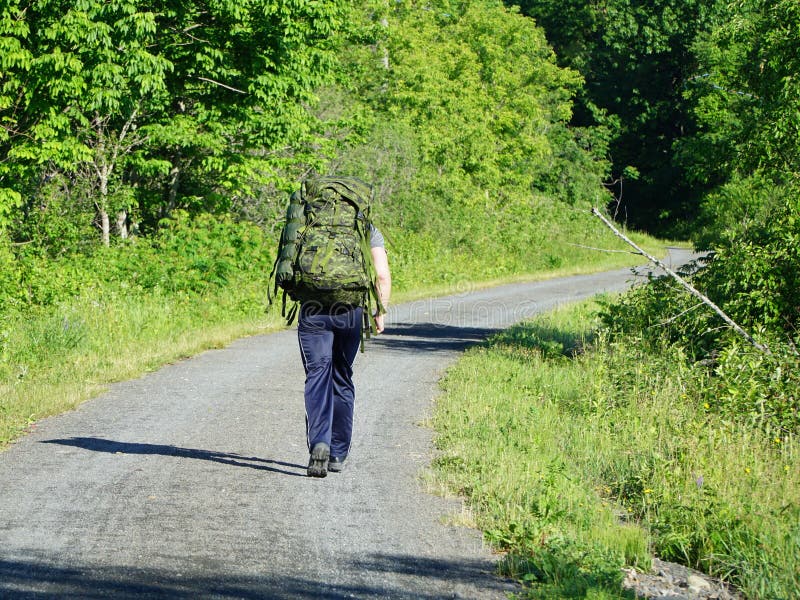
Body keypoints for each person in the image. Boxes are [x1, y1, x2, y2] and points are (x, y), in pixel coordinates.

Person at [299, 225, 391, 477]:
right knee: (341, 375)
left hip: (313, 309)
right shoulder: (365, 227)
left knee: (317, 375)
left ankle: (320, 441)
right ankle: (337, 452)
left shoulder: (310, 220)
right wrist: (380, 311)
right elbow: (381, 275)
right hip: (350, 311)